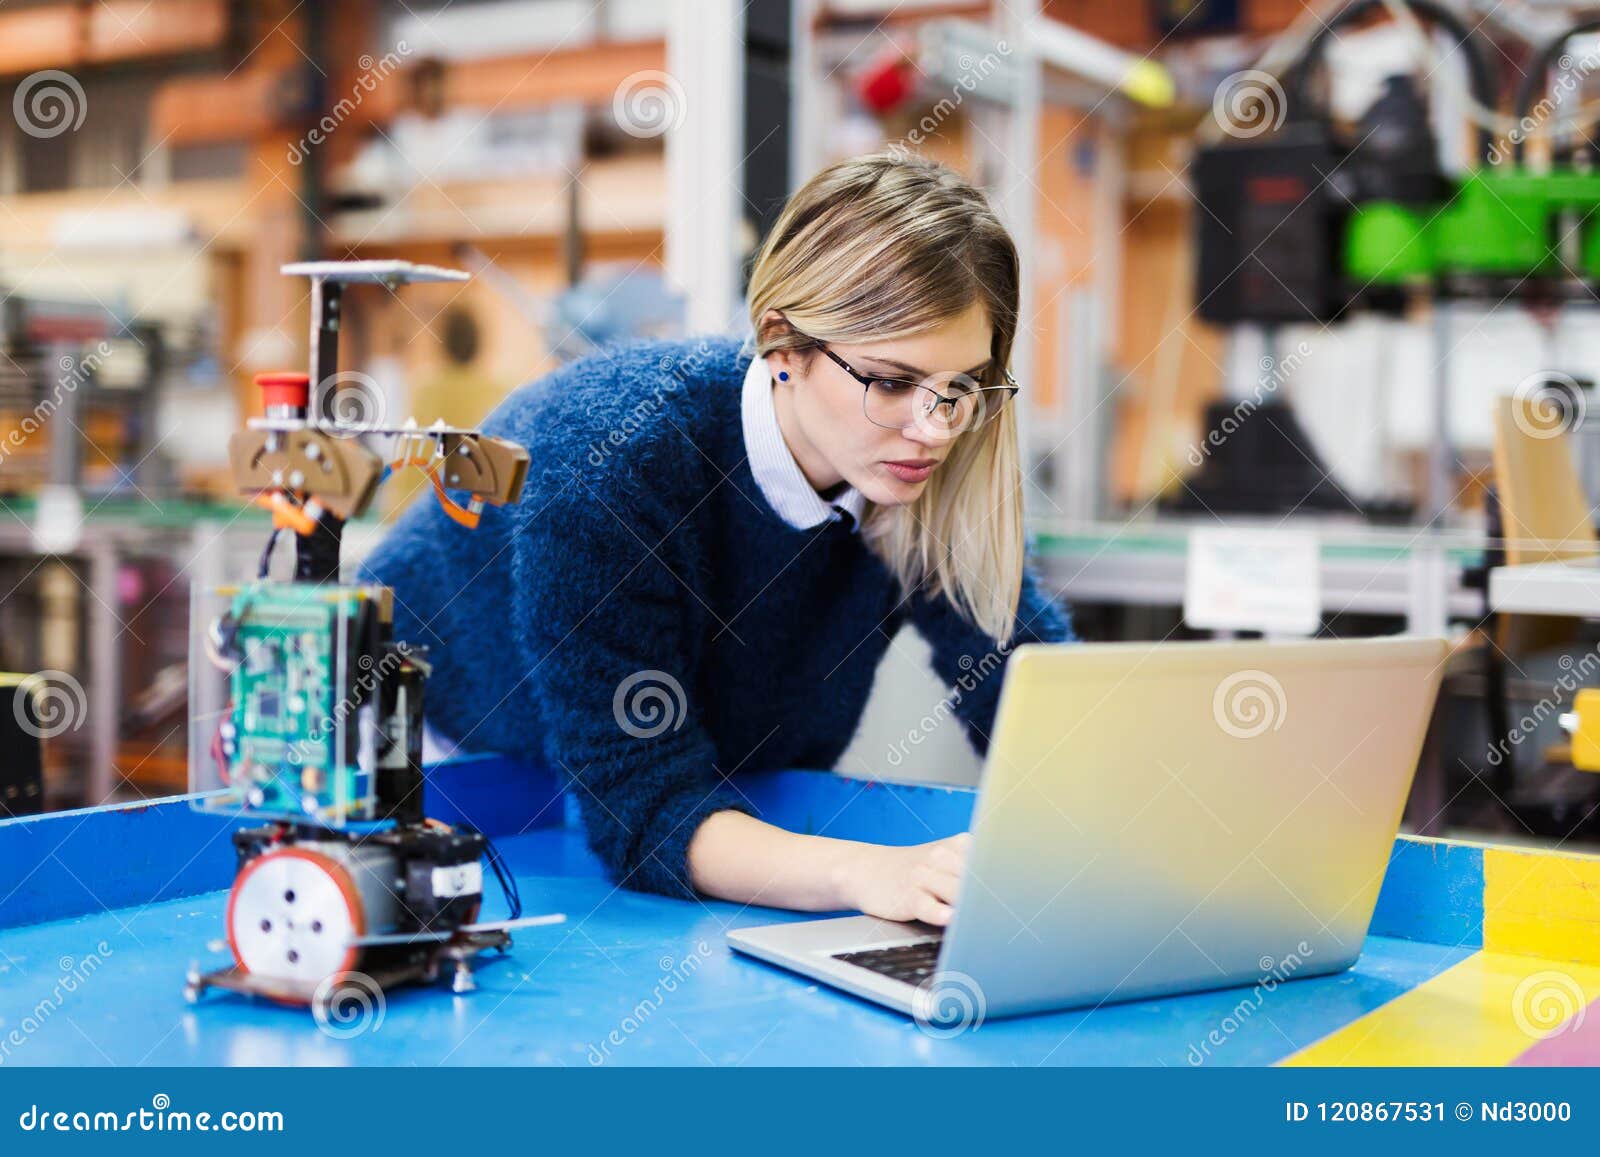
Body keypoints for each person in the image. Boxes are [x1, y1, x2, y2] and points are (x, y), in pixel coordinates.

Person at [365, 152, 1074, 927]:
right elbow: (643, 806)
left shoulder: (912, 469)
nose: (933, 428)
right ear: (781, 344)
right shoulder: (614, 456)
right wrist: (870, 871)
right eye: (892, 382)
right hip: (423, 757)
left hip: (642, 793)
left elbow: (1029, 694)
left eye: (962, 387)